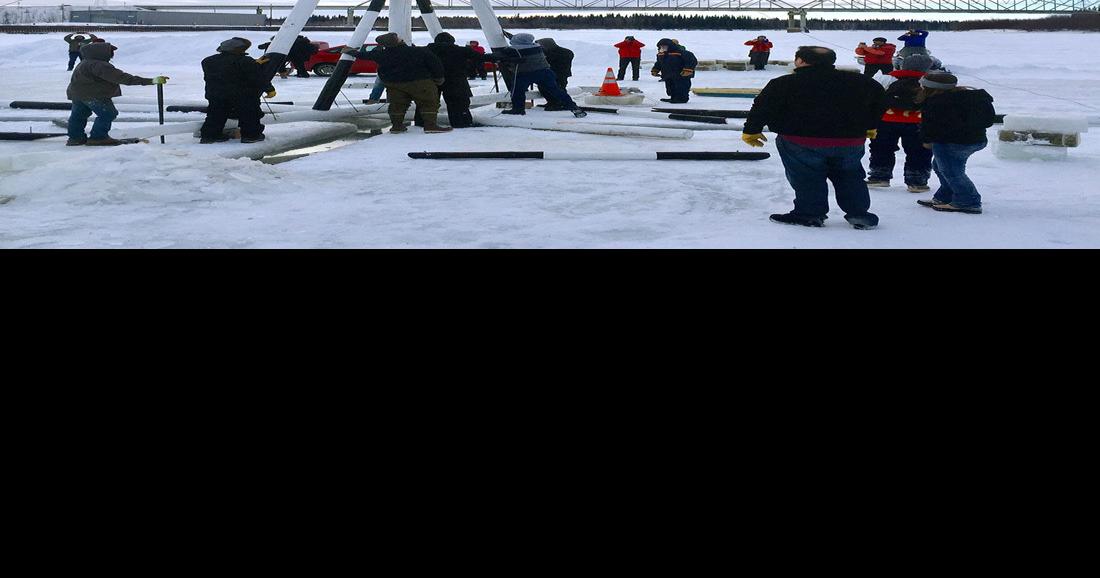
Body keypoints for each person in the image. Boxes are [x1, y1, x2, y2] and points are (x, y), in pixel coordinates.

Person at [741, 46, 886, 229]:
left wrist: (752, 130)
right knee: (850, 176)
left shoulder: (784, 83)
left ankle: (809, 214)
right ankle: (859, 215)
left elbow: (763, 106)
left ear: (800, 61)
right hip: (849, 141)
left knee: (807, 177)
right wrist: (871, 124)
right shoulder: (863, 82)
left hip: (800, 141)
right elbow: (880, 102)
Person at [915, 73, 996, 214]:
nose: (921, 88)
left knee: (951, 171)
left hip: (950, 143)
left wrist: (927, 141)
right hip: (975, 140)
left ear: (931, 88)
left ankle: (968, 201)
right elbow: (988, 120)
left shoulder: (936, 103)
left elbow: (930, 126)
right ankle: (946, 196)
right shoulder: (970, 98)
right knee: (941, 166)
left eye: (923, 86)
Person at [342, 32, 451, 133]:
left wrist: (350, 51)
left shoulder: (381, 54)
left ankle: (397, 126)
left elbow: (364, 55)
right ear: (398, 41)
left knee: (397, 105)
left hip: (394, 84)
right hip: (420, 82)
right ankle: (430, 126)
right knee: (429, 103)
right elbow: (435, 64)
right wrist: (439, 78)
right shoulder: (419, 51)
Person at [65, 42, 166, 146]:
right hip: (94, 95)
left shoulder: (85, 63)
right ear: (100, 52)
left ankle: (75, 138)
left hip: (78, 94)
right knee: (108, 113)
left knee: (78, 115)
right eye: (110, 51)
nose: (111, 54)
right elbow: (122, 78)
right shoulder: (99, 65)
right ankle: (98, 137)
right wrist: (151, 81)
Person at [866, 54, 934, 193]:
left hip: (886, 120)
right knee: (918, 151)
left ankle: (879, 176)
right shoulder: (928, 82)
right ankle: (917, 181)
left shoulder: (887, 78)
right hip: (918, 122)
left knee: (882, 148)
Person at [200, 37, 275, 144]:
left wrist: (254, 63)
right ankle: (251, 136)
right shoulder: (245, 62)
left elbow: (227, 68)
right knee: (249, 114)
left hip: (216, 94)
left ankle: (210, 136)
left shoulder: (208, 61)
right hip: (242, 95)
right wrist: (269, 89)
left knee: (215, 115)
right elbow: (257, 78)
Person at [496, 33, 585, 117]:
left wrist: (484, 57)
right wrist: (507, 34)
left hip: (525, 74)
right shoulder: (537, 47)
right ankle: (573, 107)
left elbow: (498, 56)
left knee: (517, 91)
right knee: (557, 91)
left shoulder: (513, 50)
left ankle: (518, 109)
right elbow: (522, 40)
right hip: (545, 72)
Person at [428, 32, 495, 128]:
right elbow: (481, 57)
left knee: (428, 103)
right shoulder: (460, 50)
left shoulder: (428, 50)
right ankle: (461, 123)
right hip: (456, 80)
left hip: (433, 80)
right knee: (458, 103)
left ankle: (423, 122)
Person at [650, 38, 696, 104]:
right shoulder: (661, 54)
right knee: (670, 87)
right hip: (668, 74)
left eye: (664, 46)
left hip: (680, 75)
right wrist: (655, 70)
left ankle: (682, 99)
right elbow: (659, 63)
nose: (662, 48)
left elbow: (691, 61)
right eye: (661, 46)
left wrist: (688, 70)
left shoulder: (682, 53)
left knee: (681, 87)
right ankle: (673, 97)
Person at [535, 38, 574, 111]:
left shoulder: (555, 53)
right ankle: (554, 102)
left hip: (556, 73)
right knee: (560, 88)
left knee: (553, 88)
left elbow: (550, 60)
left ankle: (556, 103)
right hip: (563, 73)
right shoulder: (567, 51)